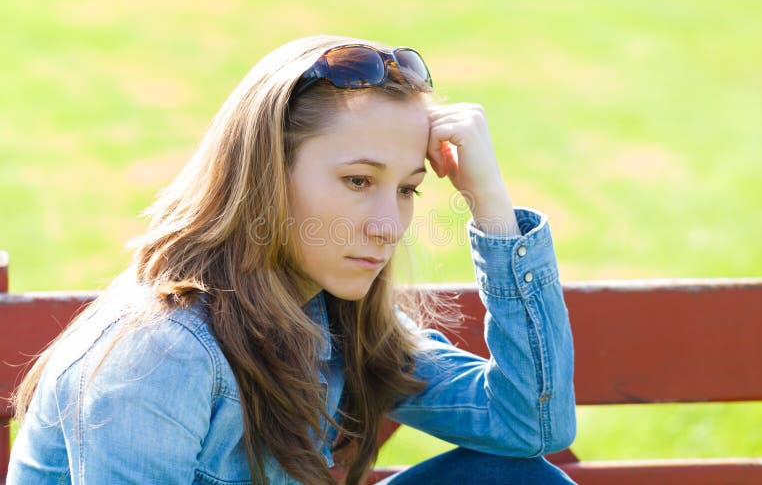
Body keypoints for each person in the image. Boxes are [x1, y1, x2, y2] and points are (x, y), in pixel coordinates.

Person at [8, 35, 577, 484]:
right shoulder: (162, 352)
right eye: (358, 180)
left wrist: (491, 206)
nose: (388, 227)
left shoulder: (331, 313)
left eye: (407, 189)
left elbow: (531, 424)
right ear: (265, 177)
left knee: (505, 476)